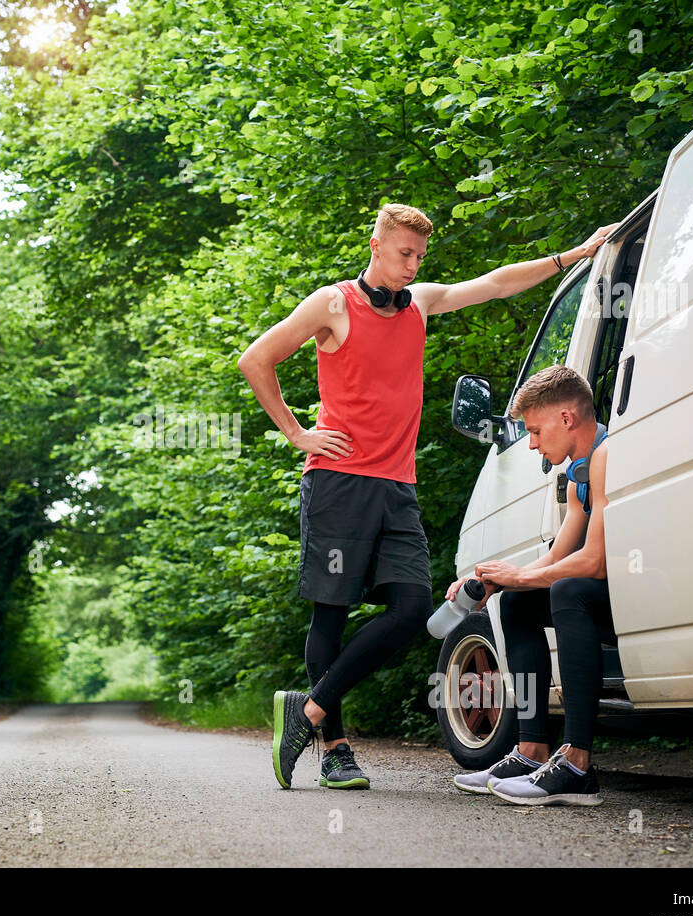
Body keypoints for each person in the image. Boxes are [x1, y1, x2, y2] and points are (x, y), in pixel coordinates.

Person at [238, 204, 618, 789]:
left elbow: (494, 285)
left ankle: (306, 710)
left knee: (414, 609)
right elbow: (256, 359)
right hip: (338, 480)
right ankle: (335, 747)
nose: (413, 266)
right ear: (375, 245)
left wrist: (572, 256)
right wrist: (298, 433)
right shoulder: (332, 304)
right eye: (403, 254)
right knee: (331, 615)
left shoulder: (418, 304)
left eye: (419, 256)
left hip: (398, 486)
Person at [450, 364, 613, 806]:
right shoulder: (580, 481)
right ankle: (531, 751)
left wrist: (521, 576)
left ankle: (578, 764)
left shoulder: (608, 456)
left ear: (566, 419)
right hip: (614, 595)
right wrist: (497, 580)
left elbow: (594, 562)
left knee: (567, 590)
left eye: (536, 431)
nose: (533, 444)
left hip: (649, 591)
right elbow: (558, 557)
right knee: (519, 603)